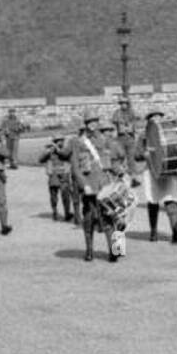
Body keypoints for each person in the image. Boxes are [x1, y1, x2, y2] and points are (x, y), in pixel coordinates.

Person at [69, 109, 122, 263]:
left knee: (111, 216)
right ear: (85, 124)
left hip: (105, 183)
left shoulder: (105, 140)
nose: (93, 124)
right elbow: (75, 167)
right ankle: (89, 250)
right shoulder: (79, 142)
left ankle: (116, 251)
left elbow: (112, 161)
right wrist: (83, 185)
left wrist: (121, 174)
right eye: (89, 122)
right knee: (89, 218)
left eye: (95, 121)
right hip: (90, 184)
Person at [135, 107, 177, 244]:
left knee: (171, 200)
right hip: (152, 171)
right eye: (154, 116)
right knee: (153, 201)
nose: (157, 119)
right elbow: (136, 155)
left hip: (167, 170)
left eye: (159, 116)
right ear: (149, 120)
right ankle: (153, 232)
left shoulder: (168, 133)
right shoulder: (144, 135)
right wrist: (144, 154)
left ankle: (175, 232)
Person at [39, 130, 75, 221]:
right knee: (53, 196)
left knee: (66, 196)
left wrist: (58, 150)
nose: (60, 142)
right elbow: (40, 159)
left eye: (61, 140)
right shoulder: (50, 150)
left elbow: (67, 156)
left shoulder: (65, 150)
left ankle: (67, 213)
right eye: (57, 140)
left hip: (64, 175)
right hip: (54, 175)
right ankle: (55, 212)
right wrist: (48, 152)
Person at [111, 97, 139, 182]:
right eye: (122, 103)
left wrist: (131, 127)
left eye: (125, 103)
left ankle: (133, 175)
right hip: (120, 138)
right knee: (121, 157)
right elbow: (114, 122)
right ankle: (121, 175)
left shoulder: (131, 112)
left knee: (131, 157)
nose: (123, 105)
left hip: (130, 137)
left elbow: (135, 122)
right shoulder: (117, 113)